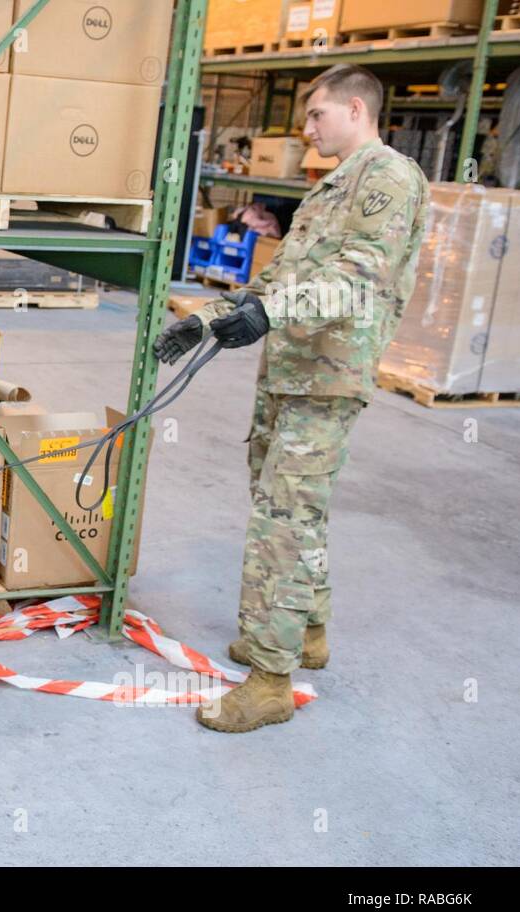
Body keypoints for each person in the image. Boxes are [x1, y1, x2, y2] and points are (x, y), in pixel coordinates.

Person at [155, 63, 430, 733]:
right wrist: (206, 318)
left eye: (317, 116)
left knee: (283, 520)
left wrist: (273, 317)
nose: (307, 129)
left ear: (357, 111)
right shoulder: (328, 191)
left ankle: (272, 679)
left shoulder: (387, 179)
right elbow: (275, 278)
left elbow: (360, 278)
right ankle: (305, 630)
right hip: (289, 372)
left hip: (326, 376)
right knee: (292, 507)